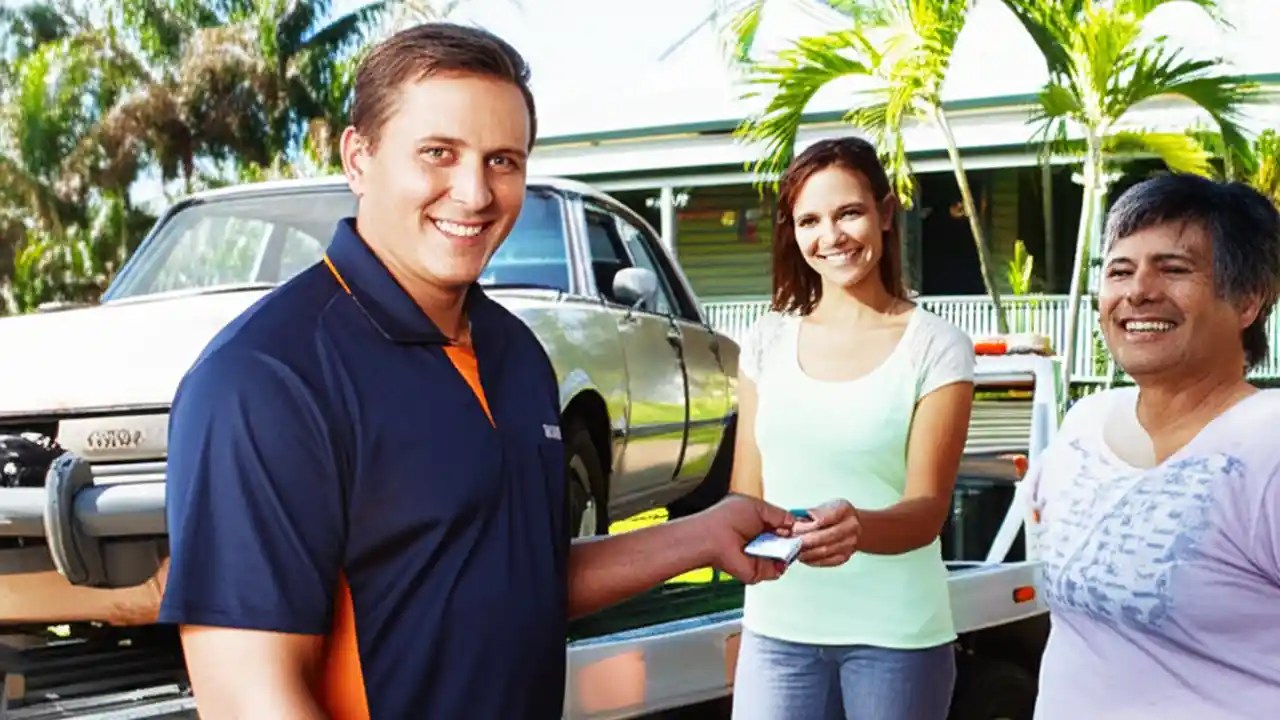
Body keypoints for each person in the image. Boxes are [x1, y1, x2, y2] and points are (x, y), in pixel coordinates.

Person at [157, 22, 795, 720]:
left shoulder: (516, 354)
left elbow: (518, 575)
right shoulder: (266, 378)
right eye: (438, 153)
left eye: (503, 161)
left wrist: (705, 532)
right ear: (359, 158)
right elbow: (249, 695)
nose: (475, 193)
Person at [728, 137, 977, 720]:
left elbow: (927, 509)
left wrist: (858, 528)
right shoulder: (764, 341)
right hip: (776, 633)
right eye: (809, 220)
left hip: (895, 639)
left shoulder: (937, 346)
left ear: (885, 213)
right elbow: (746, 494)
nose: (831, 236)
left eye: (849, 213)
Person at [1025, 173, 1280, 719]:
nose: (1137, 291)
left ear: (1248, 302)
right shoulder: (1084, 425)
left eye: (1174, 269)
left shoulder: (1268, 447)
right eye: (1119, 270)